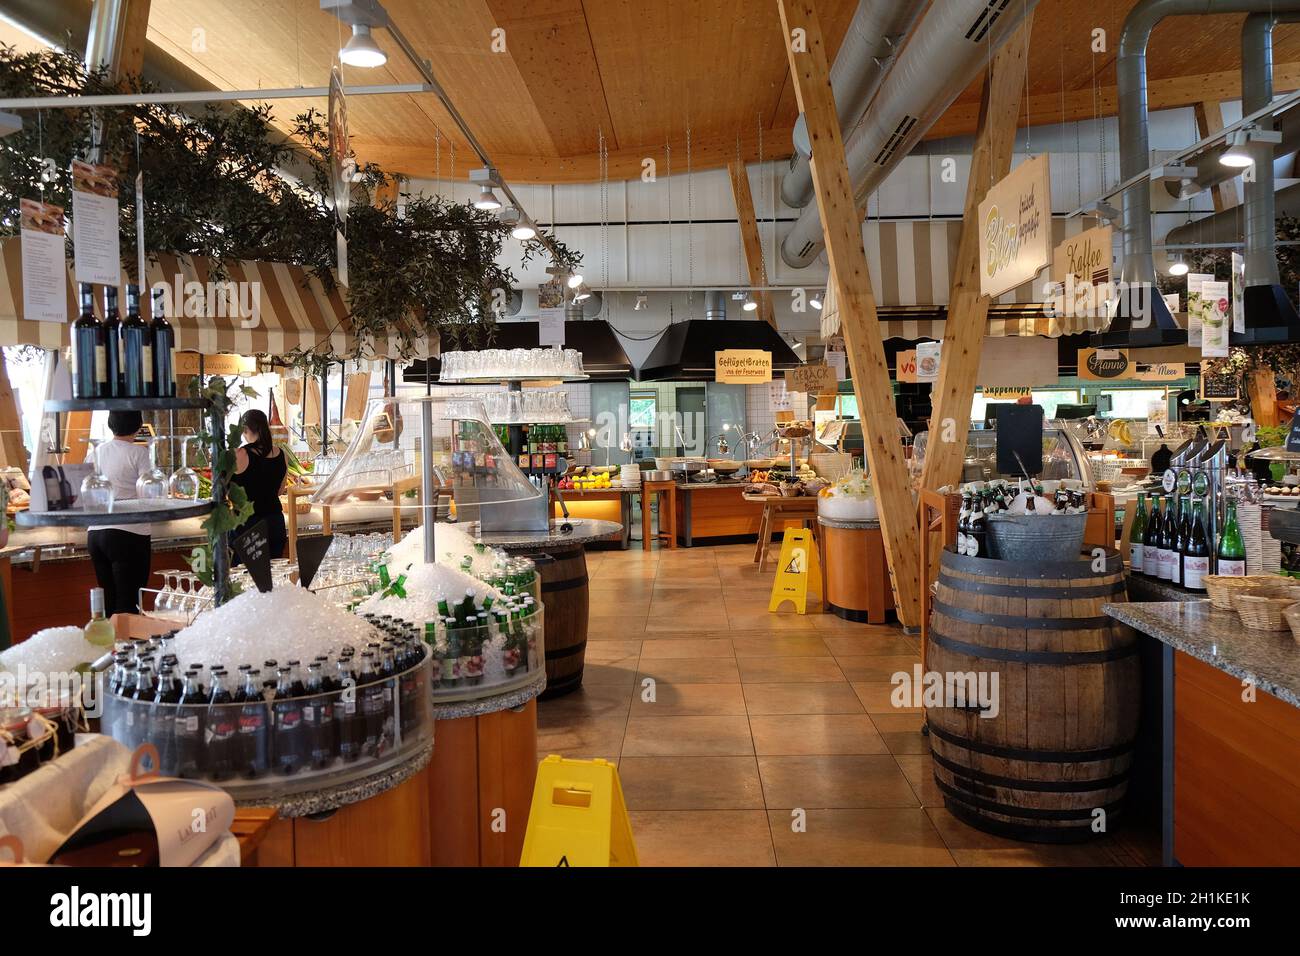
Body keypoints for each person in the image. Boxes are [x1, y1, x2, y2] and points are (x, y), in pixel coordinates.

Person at [87, 411, 153, 615]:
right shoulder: (139, 453)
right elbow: (150, 492)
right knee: (128, 604)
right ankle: (126, 647)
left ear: (110, 425)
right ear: (138, 426)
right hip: (129, 532)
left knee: (107, 604)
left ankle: (110, 646)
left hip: (96, 533)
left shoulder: (95, 453)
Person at [230, 408, 289, 561]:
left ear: (245, 429)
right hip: (275, 523)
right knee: (272, 579)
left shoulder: (239, 455)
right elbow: (280, 491)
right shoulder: (282, 454)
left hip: (248, 525)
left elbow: (226, 493)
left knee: (245, 578)